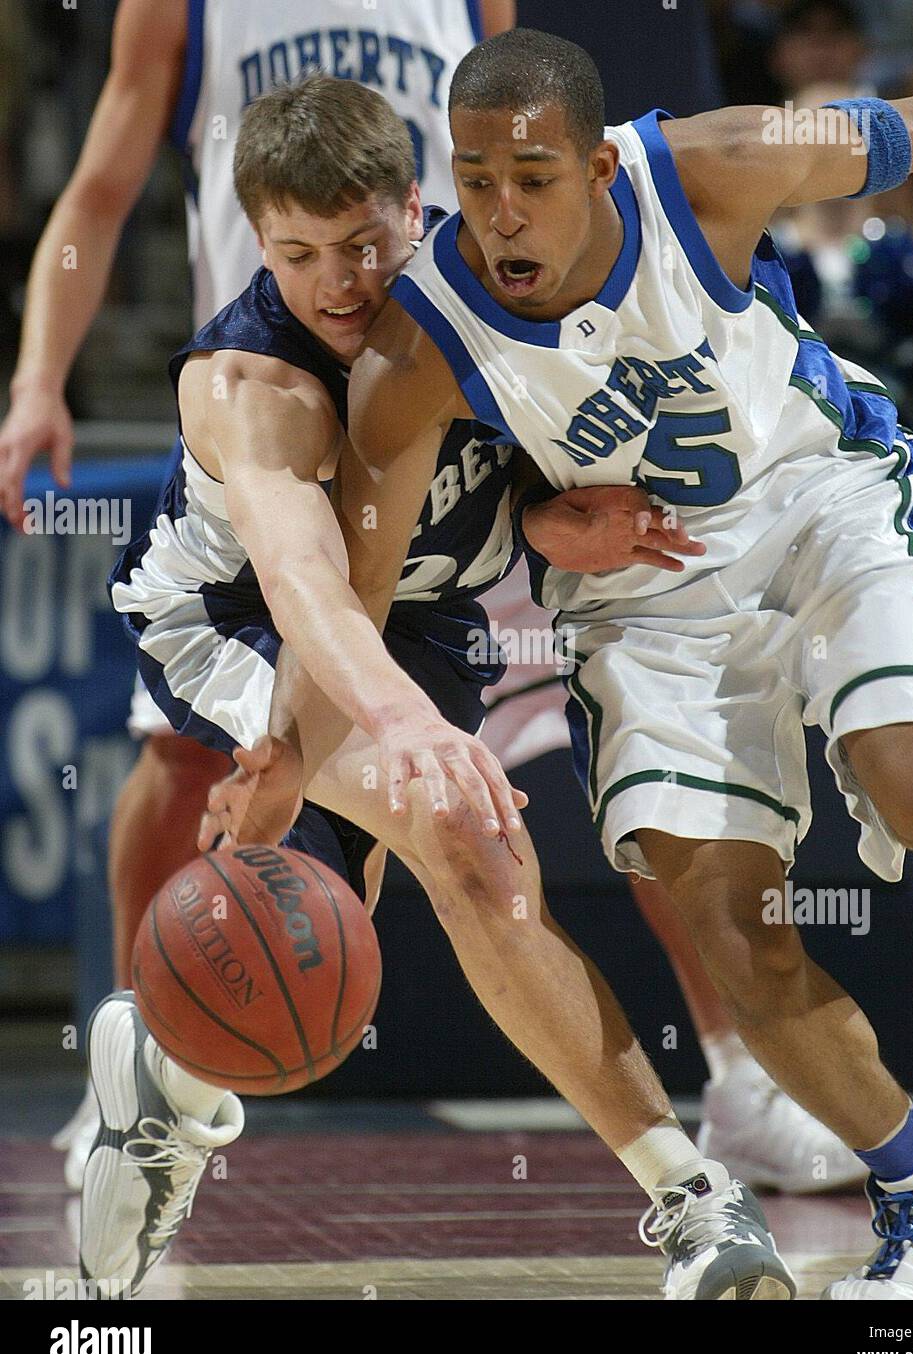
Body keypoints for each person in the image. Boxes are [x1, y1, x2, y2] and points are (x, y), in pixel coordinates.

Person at [4, 0, 860, 1198]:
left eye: (361, 245)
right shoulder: (256, 362)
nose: (339, 281)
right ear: (258, 238)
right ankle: (684, 1199)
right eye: (299, 252)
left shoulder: (471, 271)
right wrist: (39, 373)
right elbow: (304, 578)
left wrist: (550, 514)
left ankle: (160, 1095)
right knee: (420, 826)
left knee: (434, 839)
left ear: (417, 208)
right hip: (238, 595)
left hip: (429, 580)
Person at [301, 28, 913, 1299]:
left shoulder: (718, 167)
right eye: (473, 179)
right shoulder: (416, 352)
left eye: (530, 176)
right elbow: (357, 611)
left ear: (596, 167)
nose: (499, 212)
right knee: (728, 929)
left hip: (815, 498)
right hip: (641, 599)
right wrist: (342, 837)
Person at [0, 0, 515, 1190]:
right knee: (190, 761)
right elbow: (96, 193)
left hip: (414, 402)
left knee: (378, 834)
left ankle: (731, 1072)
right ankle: (133, 1054)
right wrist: (38, 381)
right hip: (263, 424)